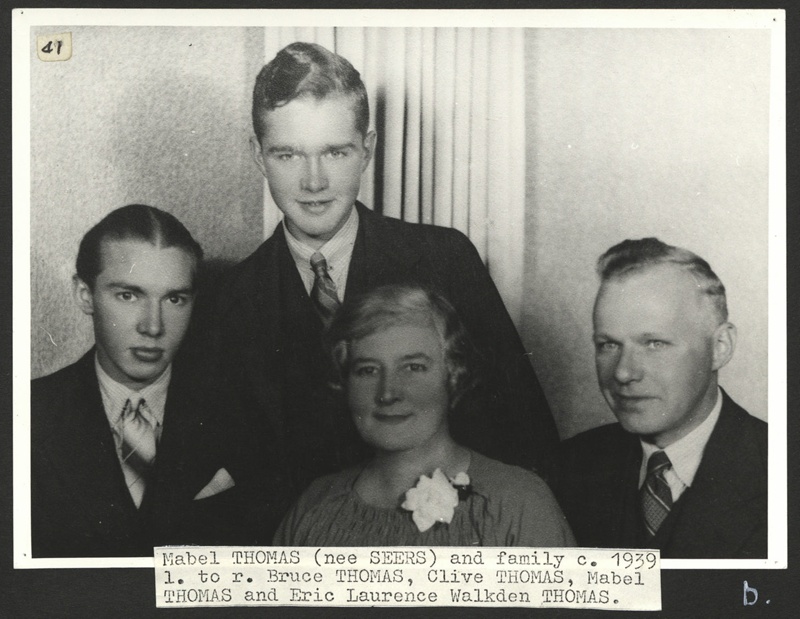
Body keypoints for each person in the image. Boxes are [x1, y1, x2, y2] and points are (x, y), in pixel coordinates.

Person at [207, 41, 559, 540]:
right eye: (288, 154)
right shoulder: (227, 300)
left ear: (367, 150)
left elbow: (526, 437)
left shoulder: (444, 260)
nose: (313, 181)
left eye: (335, 151)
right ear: (258, 155)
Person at [274, 285, 574, 546]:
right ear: (345, 382)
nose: (388, 392)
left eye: (413, 367)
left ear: (453, 375)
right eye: (367, 370)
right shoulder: (314, 507)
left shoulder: (517, 503)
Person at [31, 204, 235, 558]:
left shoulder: (238, 412)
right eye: (128, 295)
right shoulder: (28, 416)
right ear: (85, 295)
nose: (153, 326)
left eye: (174, 299)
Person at [556, 238, 767, 558]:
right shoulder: (568, 467)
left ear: (720, 346)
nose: (624, 373)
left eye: (654, 343)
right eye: (608, 345)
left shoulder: (780, 472)